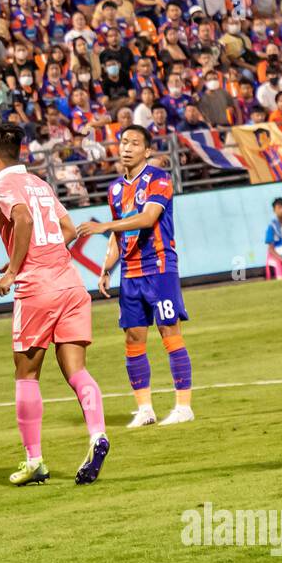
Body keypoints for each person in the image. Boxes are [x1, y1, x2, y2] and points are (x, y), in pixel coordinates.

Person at [0, 121, 109, 487]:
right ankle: (97, 435)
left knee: (27, 374)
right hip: (70, 283)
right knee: (77, 371)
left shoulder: (2, 184)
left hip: (37, 289)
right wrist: (29, 256)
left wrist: (14, 270)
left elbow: (21, 218)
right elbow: (67, 232)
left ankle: (35, 460)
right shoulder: (39, 183)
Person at [78, 125, 192, 429]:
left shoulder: (159, 179)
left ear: (147, 150)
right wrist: (106, 267)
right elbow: (120, 234)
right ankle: (145, 409)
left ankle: (183, 406)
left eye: (134, 143)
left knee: (170, 332)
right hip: (130, 273)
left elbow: (148, 218)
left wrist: (104, 227)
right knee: (132, 338)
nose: (127, 147)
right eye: (123, 142)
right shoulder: (115, 189)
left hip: (160, 268)